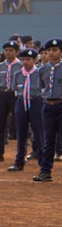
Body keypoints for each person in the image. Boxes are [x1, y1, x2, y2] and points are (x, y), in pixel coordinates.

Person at [30, 37, 62, 183]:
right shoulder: (43, 69)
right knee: (48, 140)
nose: (51, 53)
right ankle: (45, 171)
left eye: (55, 50)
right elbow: (41, 86)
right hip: (48, 106)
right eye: (48, 50)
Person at [0, 39, 21, 164]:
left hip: (15, 95)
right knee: (0, 124)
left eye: (11, 50)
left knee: (19, 124)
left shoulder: (21, 66)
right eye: (6, 50)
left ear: (17, 52)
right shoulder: (0, 66)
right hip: (2, 94)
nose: (8, 53)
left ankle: (20, 154)